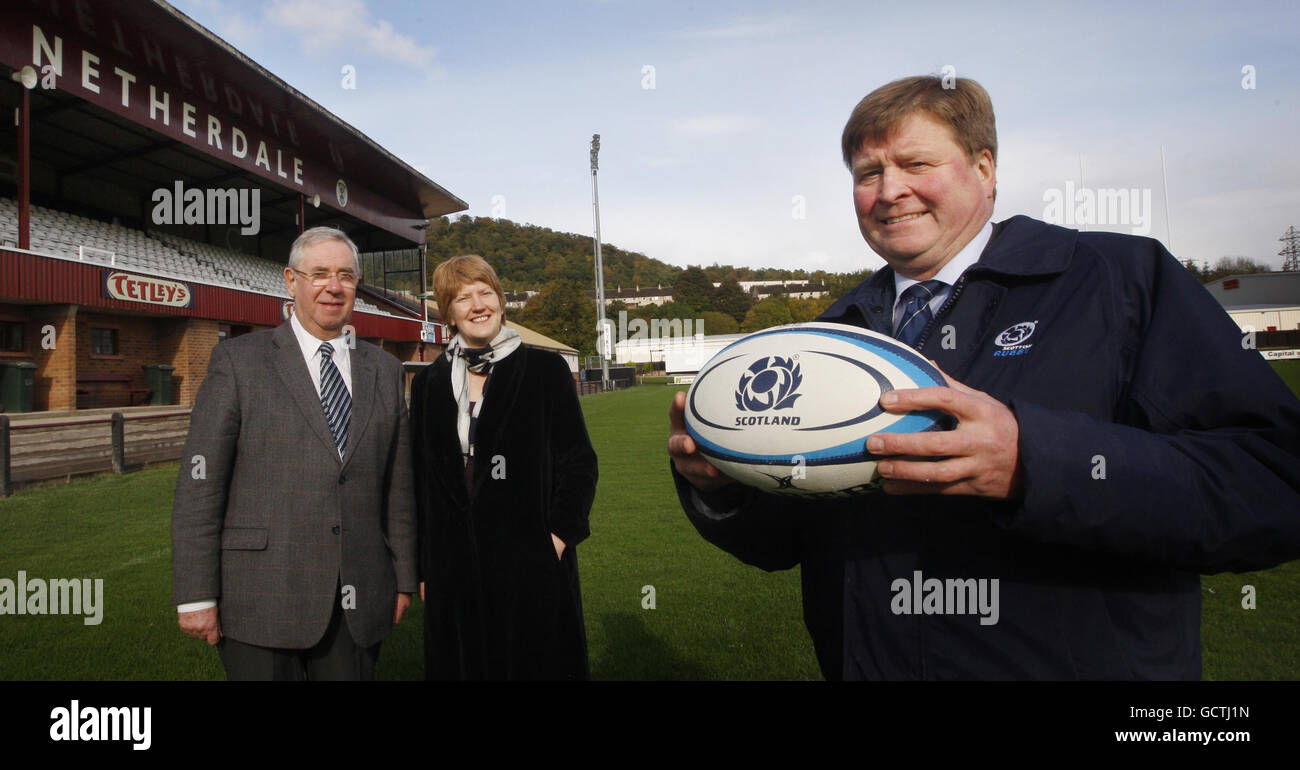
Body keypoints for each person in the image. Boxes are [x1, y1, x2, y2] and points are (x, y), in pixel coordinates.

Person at [668, 75, 1300, 679]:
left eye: (917, 165)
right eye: (868, 173)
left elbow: (1274, 484)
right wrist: (725, 485)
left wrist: (1035, 462)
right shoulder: (830, 336)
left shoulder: (1118, 280)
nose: (889, 191)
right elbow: (783, 546)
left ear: (985, 169)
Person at [172, 226, 417, 680]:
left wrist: (403, 578)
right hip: (260, 598)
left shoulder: (384, 370)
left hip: (358, 597)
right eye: (319, 273)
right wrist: (196, 594)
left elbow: (398, 490)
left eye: (345, 275)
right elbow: (199, 487)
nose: (333, 286)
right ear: (291, 280)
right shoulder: (238, 361)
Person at [410, 254, 598, 680]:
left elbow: (579, 462)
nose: (477, 305)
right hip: (453, 568)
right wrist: (425, 565)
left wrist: (556, 537)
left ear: (499, 299)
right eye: (463, 298)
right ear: (449, 312)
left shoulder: (544, 371)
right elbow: (420, 480)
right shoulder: (429, 384)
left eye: (485, 292)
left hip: (530, 562)